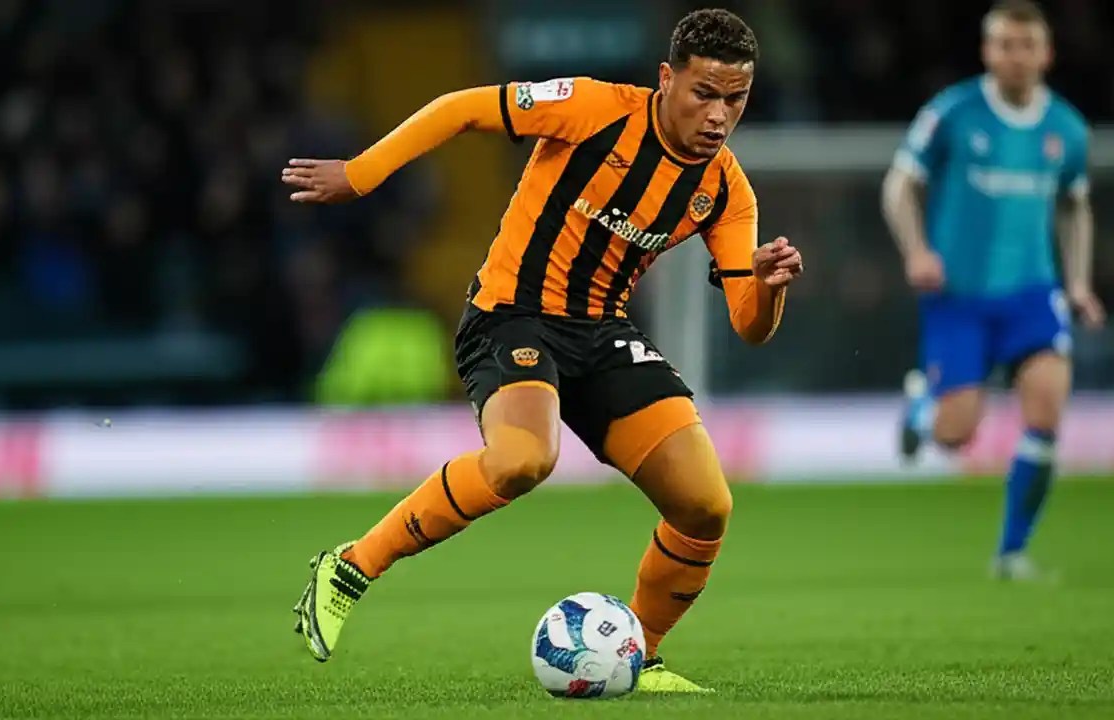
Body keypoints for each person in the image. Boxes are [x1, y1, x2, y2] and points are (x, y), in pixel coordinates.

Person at [282, 8, 803, 691]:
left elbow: (749, 324)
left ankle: (641, 658)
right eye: (704, 93)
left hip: (602, 332)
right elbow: (460, 108)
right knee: (525, 459)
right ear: (666, 78)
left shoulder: (726, 190)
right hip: (511, 316)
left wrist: (768, 288)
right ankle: (350, 566)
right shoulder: (593, 109)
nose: (718, 115)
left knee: (706, 505)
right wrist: (360, 173)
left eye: (735, 100)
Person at [881, 0, 1104, 580]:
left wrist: (1078, 282)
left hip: (1033, 293)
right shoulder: (953, 113)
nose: (1016, 56)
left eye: (1027, 45)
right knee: (957, 435)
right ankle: (922, 407)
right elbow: (899, 186)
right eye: (1005, 44)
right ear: (987, 51)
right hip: (959, 297)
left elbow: (1076, 208)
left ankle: (1011, 553)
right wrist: (917, 252)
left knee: (1047, 411)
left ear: (1046, 53)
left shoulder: (1067, 130)